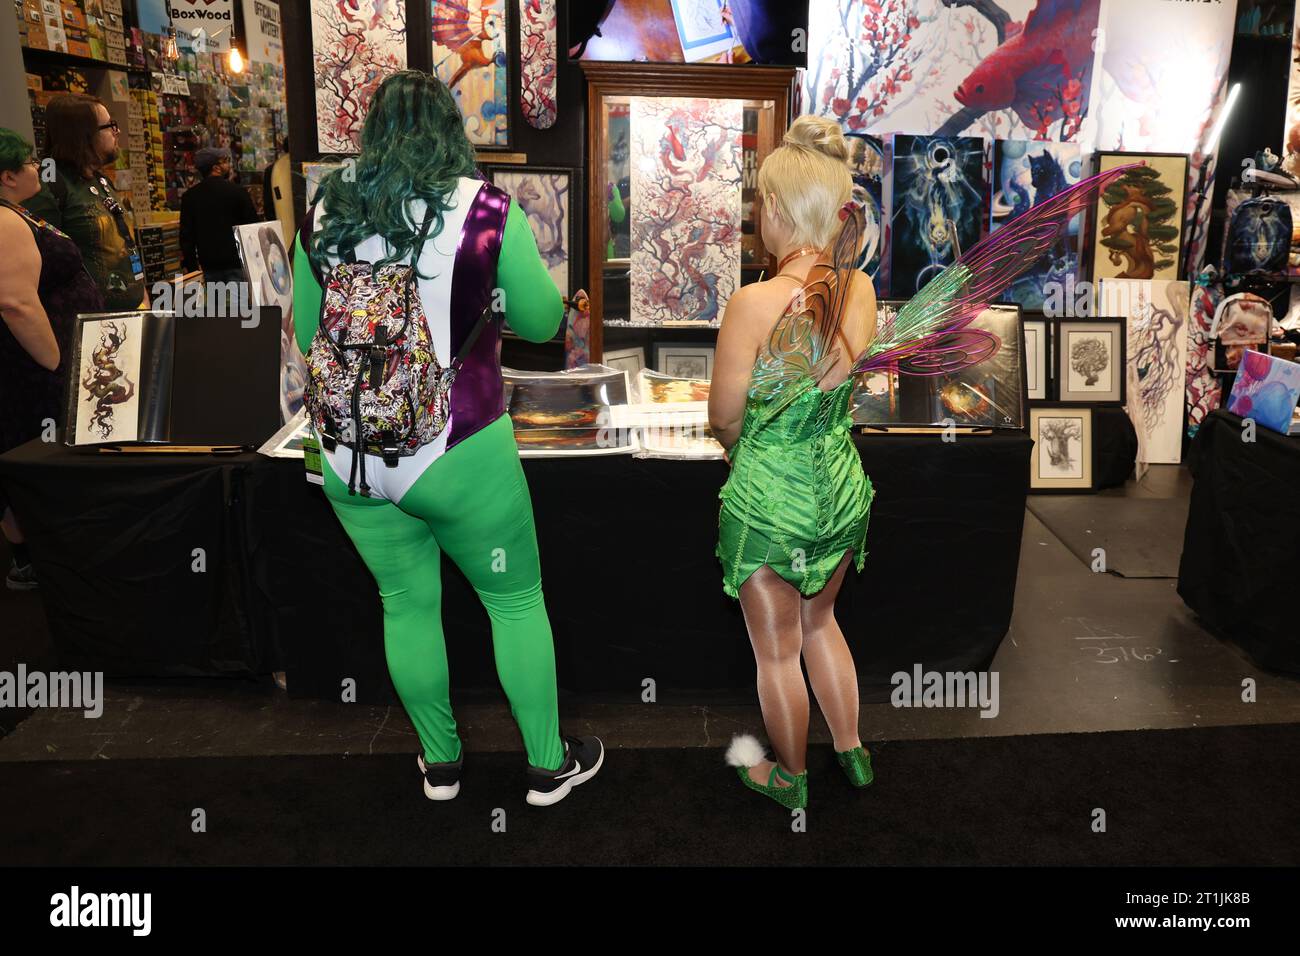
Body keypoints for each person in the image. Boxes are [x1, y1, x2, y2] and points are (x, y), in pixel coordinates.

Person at [291, 71, 603, 807]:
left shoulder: (323, 209)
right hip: (458, 448)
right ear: (448, 130)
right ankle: (546, 767)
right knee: (516, 600)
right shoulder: (484, 209)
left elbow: (307, 334)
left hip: (353, 453)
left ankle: (441, 764)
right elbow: (541, 321)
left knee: (404, 601)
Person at [709, 116, 877, 809]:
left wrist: (734, 445)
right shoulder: (859, 289)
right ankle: (853, 754)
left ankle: (790, 778)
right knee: (823, 623)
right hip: (841, 491)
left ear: (774, 209)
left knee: (777, 651)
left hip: (771, 503)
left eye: (758, 207)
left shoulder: (752, 303)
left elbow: (723, 417)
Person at [0, 129, 104, 589]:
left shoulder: (17, 213)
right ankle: (40, 560)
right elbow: (16, 303)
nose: (33, 168)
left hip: (41, 366)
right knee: (39, 458)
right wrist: (58, 365)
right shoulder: (4, 222)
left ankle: (45, 555)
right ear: (6, 176)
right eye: (25, 163)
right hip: (33, 371)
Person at [23, 94, 145, 312]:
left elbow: (125, 244)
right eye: (109, 126)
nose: (117, 132)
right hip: (86, 324)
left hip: (129, 311)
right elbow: (39, 266)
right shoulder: (49, 183)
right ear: (83, 134)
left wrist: (141, 294)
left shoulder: (100, 179)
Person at [179, 146, 260, 283]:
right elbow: (252, 226)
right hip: (236, 263)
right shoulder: (237, 192)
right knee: (238, 303)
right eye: (225, 161)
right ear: (216, 168)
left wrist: (192, 267)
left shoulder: (190, 197)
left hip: (209, 266)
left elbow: (186, 237)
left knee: (216, 304)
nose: (228, 164)